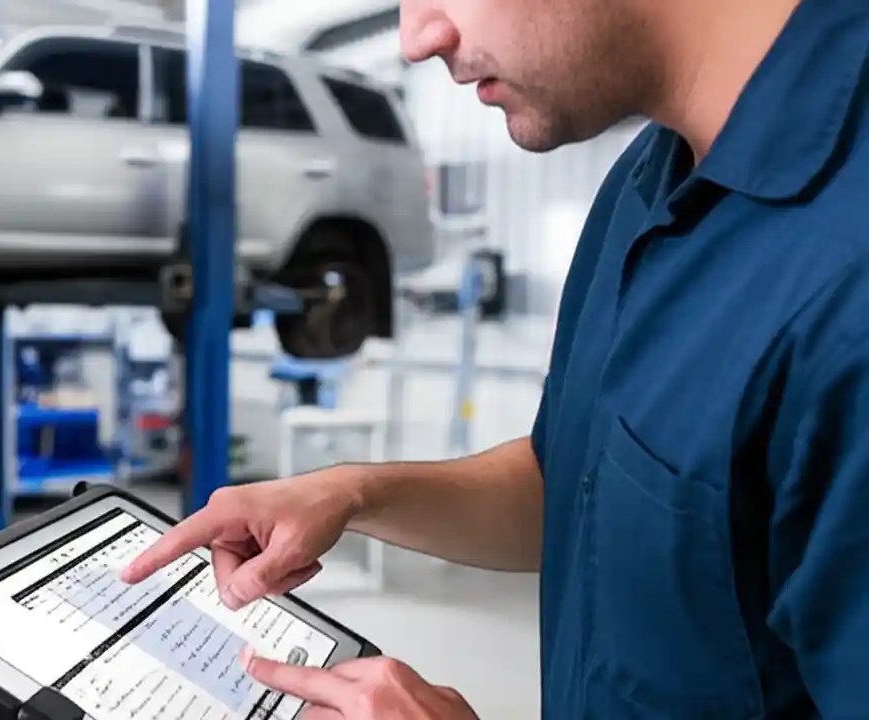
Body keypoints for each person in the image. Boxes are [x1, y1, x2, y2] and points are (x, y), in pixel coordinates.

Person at [124, 0, 869, 716]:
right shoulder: (651, 178)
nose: (416, 37)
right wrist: (352, 495)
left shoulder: (849, 281)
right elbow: (577, 486)